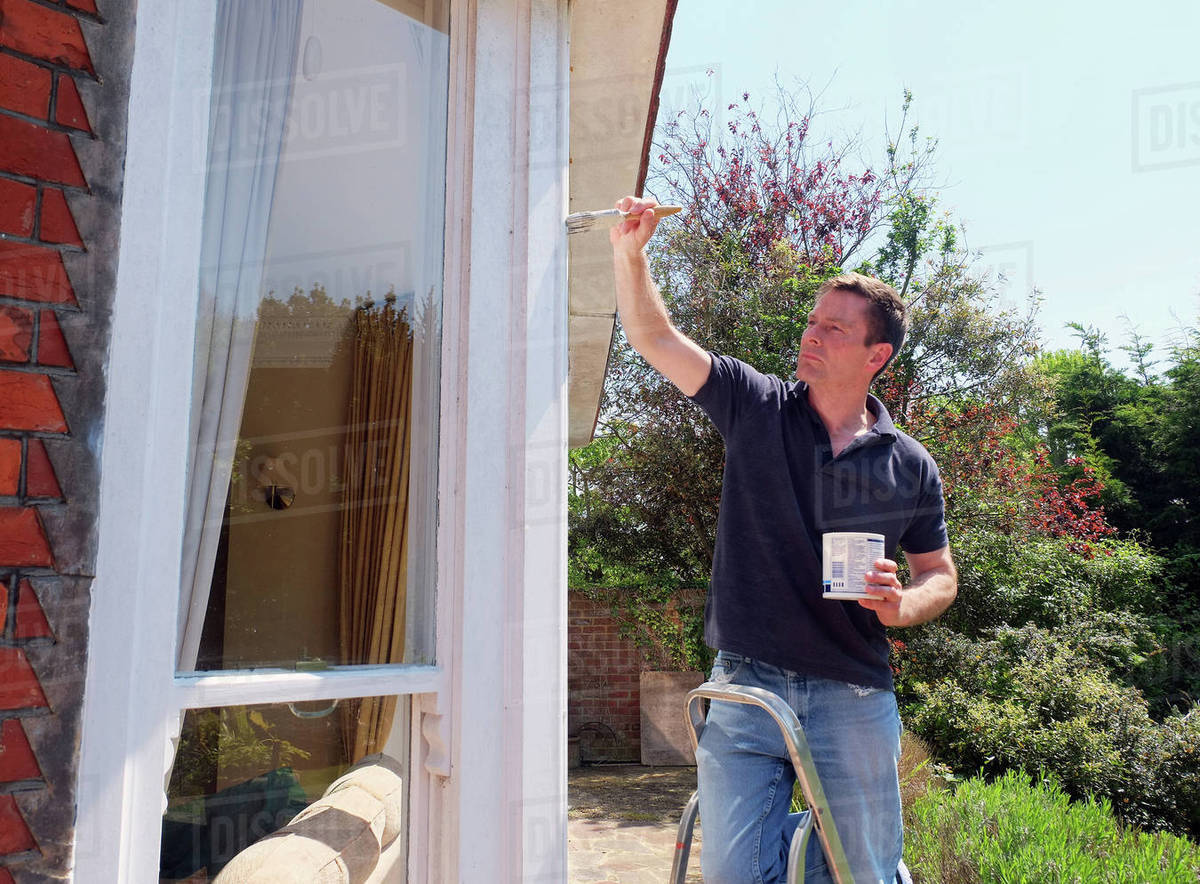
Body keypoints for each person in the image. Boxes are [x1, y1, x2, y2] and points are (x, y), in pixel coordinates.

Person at [609, 195, 958, 883]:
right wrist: (630, 254)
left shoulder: (908, 462)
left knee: (866, 875)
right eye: (812, 322)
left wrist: (902, 605)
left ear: (876, 354)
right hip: (746, 682)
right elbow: (654, 340)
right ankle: (818, 828)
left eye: (834, 328)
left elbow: (940, 573)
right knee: (738, 877)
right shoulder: (754, 404)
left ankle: (836, 833)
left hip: (852, 693)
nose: (813, 335)